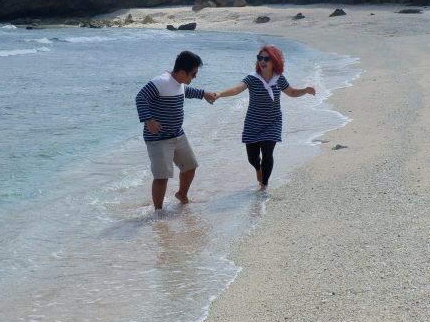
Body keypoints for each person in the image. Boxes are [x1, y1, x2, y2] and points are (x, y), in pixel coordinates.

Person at [215, 44, 315, 191]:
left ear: (274, 61)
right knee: (252, 158)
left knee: (268, 153)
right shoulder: (252, 78)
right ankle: (258, 168)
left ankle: (264, 186)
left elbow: (292, 92)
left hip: (273, 122)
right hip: (253, 123)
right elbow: (237, 89)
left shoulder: (279, 79)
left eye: (266, 58)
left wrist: (305, 90)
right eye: (260, 58)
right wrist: (219, 94)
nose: (262, 61)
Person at [135, 50, 218, 210]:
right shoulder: (161, 81)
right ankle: (158, 212)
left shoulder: (179, 83)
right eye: (193, 74)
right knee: (162, 177)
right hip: (159, 138)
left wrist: (203, 94)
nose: (195, 77)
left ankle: (181, 195)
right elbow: (141, 98)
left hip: (178, 135)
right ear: (181, 72)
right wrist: (149, 121)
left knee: (190, 167)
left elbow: (187, 91)